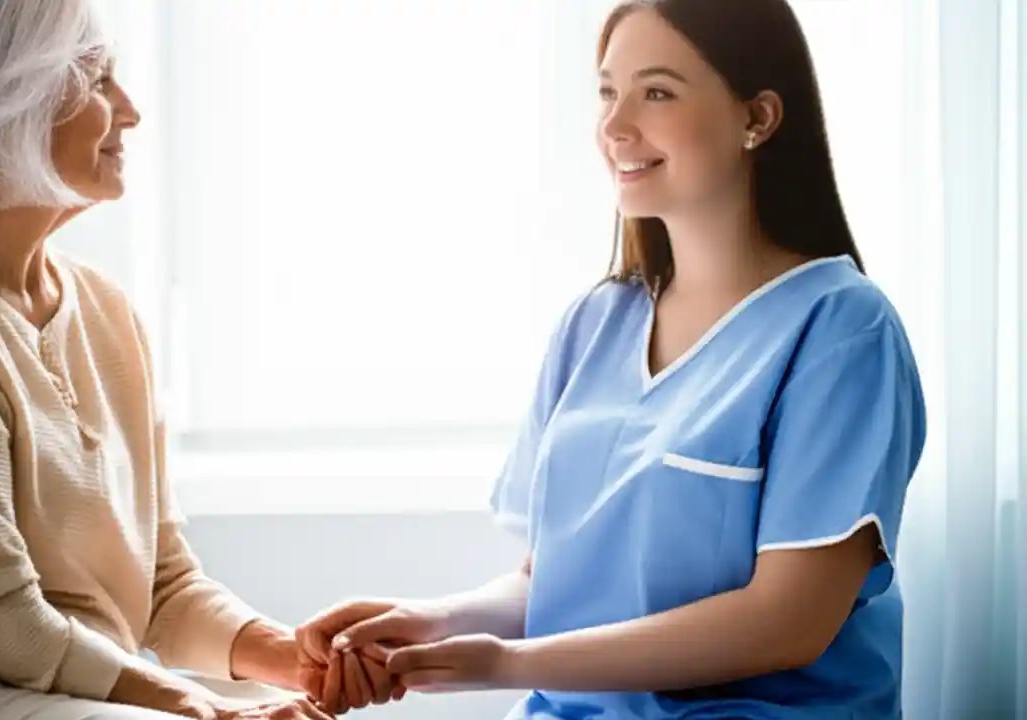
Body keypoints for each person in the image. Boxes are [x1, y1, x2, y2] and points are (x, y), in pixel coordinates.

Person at [296, 0, 927, 717]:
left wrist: (507, 663)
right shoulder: (594, 324)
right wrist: (434, 624)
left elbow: (788, 622)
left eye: (656, 92)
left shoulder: (842, 330)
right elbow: (553, 586)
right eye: (606, 92)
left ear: (758, 118)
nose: (614, 126)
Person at [0, 1, 336, 717]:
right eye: (99, 80)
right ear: (5, 95)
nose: (130, 111)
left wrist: (294, 657)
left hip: (40, 686)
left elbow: (163, 586)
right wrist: (210, 709)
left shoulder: (106, 311)